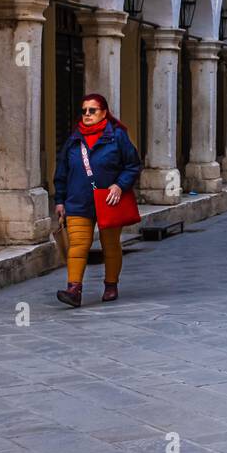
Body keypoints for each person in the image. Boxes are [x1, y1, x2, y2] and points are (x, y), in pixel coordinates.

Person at [52, 93, 142, 308]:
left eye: (92, 110)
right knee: (77, 245)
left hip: (109, 201)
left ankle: (111, 284)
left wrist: (120, 185)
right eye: (84, 111)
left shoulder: (117, 136)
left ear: (104, 112)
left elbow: (133, 165)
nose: (87, 115)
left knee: (110, 245)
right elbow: (62, 171)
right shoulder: (74, 139)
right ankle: (74, 289)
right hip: (77, 201)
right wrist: (59, 200)